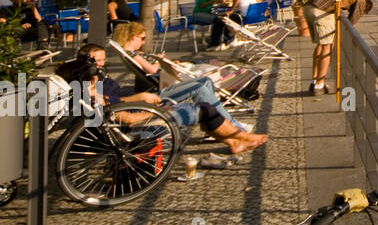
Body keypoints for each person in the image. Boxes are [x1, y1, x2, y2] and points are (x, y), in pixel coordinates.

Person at [56, 50, 266, 155]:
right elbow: (128, 119)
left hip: (143, 111)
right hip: (142, 124)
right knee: (204, 108)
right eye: (94, 68)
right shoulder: (93, 97)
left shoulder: (90, 93)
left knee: (203, 96)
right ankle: (237, 137)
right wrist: (156, 109)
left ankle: (235, 139)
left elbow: (120, 109)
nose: (98, 70)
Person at [302, 0, 373, 95]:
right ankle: (319, 85)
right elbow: (352, 20)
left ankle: (314, 81)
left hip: (309, 7)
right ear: (367, 6)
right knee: (327, 46)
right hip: (321, 11)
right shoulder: (362, 1)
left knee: (320, 45)